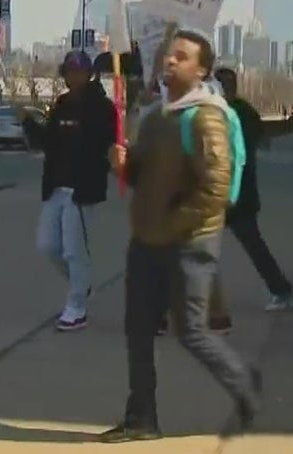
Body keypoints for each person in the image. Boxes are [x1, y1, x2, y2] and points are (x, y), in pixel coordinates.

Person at [99, 30, 261, 443]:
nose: (171, 61)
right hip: (147, 241)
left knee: (191, 332)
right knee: (137, 329)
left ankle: (243, 382)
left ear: (202, 69)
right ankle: (141, 419)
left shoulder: (207, 116)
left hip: (189, 242)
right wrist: (122, 163)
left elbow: (215, 190)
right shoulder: (158, 116)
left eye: (182, 57)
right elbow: (141, 176)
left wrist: (170, 228)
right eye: (169, 55)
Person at [30, 50, 116, 331]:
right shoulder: (62, 104)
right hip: (56, 188)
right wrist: (29, 124)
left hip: (83, 191)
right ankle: (81, 284)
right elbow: (48, 142)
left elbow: (104, 146)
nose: (73, 76)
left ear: (89, 74)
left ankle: (76, 307)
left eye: (79, 71)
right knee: (48, 246)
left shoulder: (101, 108)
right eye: (69, 71)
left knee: (74, 251)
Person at [212, 67, 293, 312]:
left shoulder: (234, 113)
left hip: (235, 192)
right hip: (231, 191)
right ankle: (281, 289)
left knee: (250, 244)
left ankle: (281, 290)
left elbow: (240, 152)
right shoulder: (239, 111)